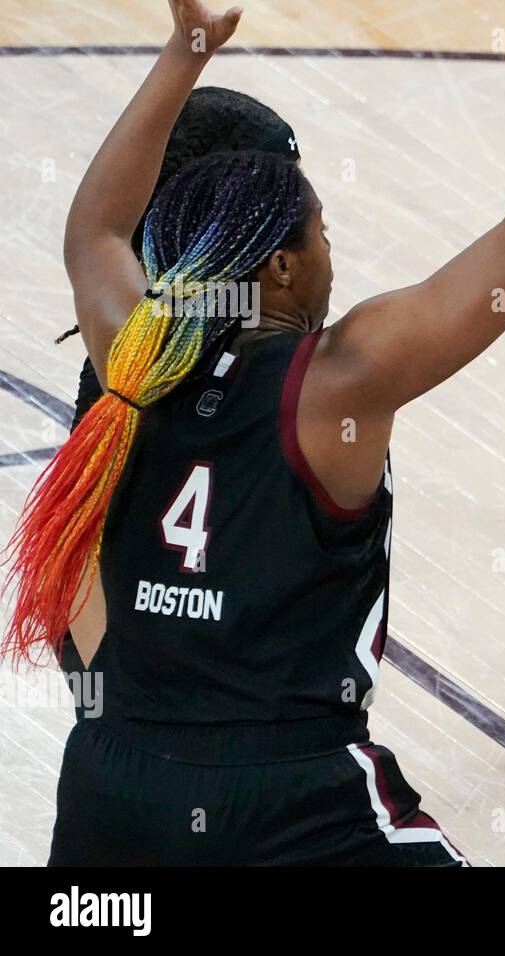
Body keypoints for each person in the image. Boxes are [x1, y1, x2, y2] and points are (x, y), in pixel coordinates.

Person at [4, 0, 505, 865]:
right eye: (322, 236)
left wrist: (188, 48)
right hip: (290, 798)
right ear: (283, 264)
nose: (330, 254)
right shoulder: (335, 381)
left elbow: (95, 229)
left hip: (112, 787)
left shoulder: (127, 359)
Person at [58, 85, 303, 704]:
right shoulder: (239, 353)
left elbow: (98, 229)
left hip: (123, 645)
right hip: (173, 662)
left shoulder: (133, 330)